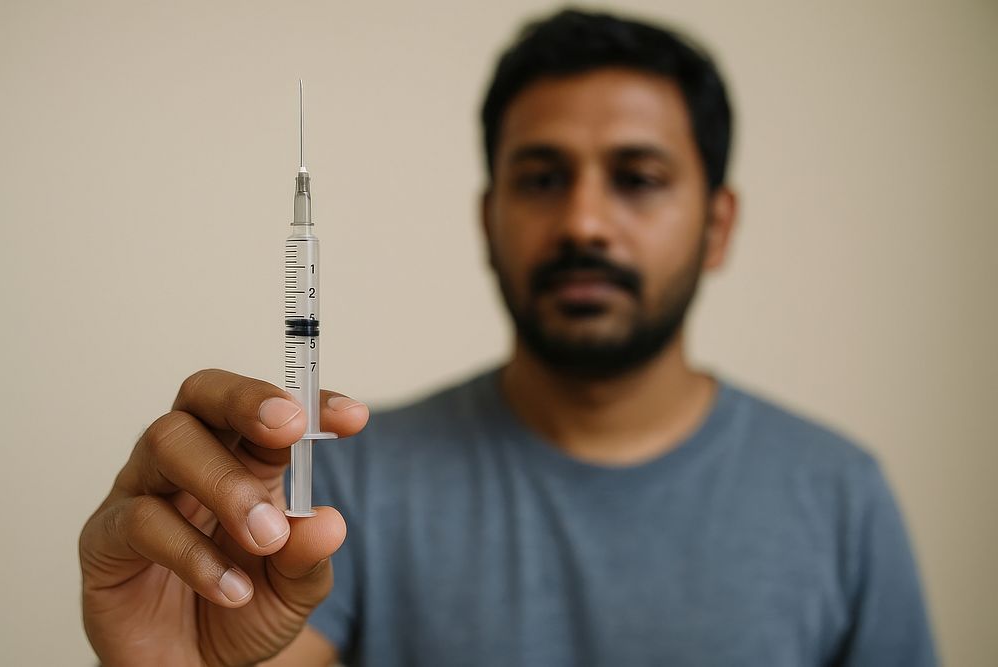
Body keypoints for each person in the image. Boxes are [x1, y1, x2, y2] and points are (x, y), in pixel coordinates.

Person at [79, 8, 936, 666]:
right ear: (488, 220)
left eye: (637, 179)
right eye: (541, 178)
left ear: (718, 224)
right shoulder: (344, 486)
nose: (585, 221)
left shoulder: (838, 497)